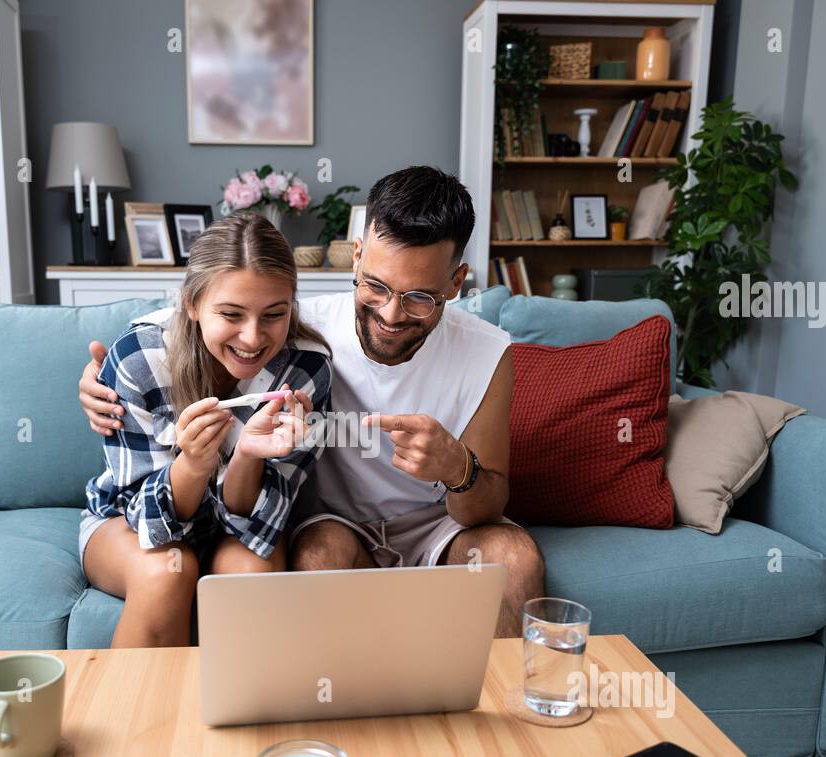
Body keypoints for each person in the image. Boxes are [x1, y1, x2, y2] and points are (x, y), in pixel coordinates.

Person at [81, 167, 543, 637]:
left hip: (439, 526)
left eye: (420, 297)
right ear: (357, 257)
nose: (390, 314)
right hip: (337, 526)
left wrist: (456, 468)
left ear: (456, 282)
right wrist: (107, 373)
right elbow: (202, 314)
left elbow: (485, 505)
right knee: (315, 556)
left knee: (515, 558)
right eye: (376, 286)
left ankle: (499, 708)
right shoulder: (302, 332)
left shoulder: (482, 352)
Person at [80, 212, 331, 648]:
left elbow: (257, 525)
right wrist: (193, 464)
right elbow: (147, 523)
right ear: (192, 304)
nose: (252, 338)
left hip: (240, 526)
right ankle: (142, 715)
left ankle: (244, 713)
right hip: (130, 520)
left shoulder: (305, 372)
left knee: (254, 572)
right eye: (231, 314)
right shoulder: (140, 358)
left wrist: (249, 456)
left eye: (274, 314)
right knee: (166, 572)